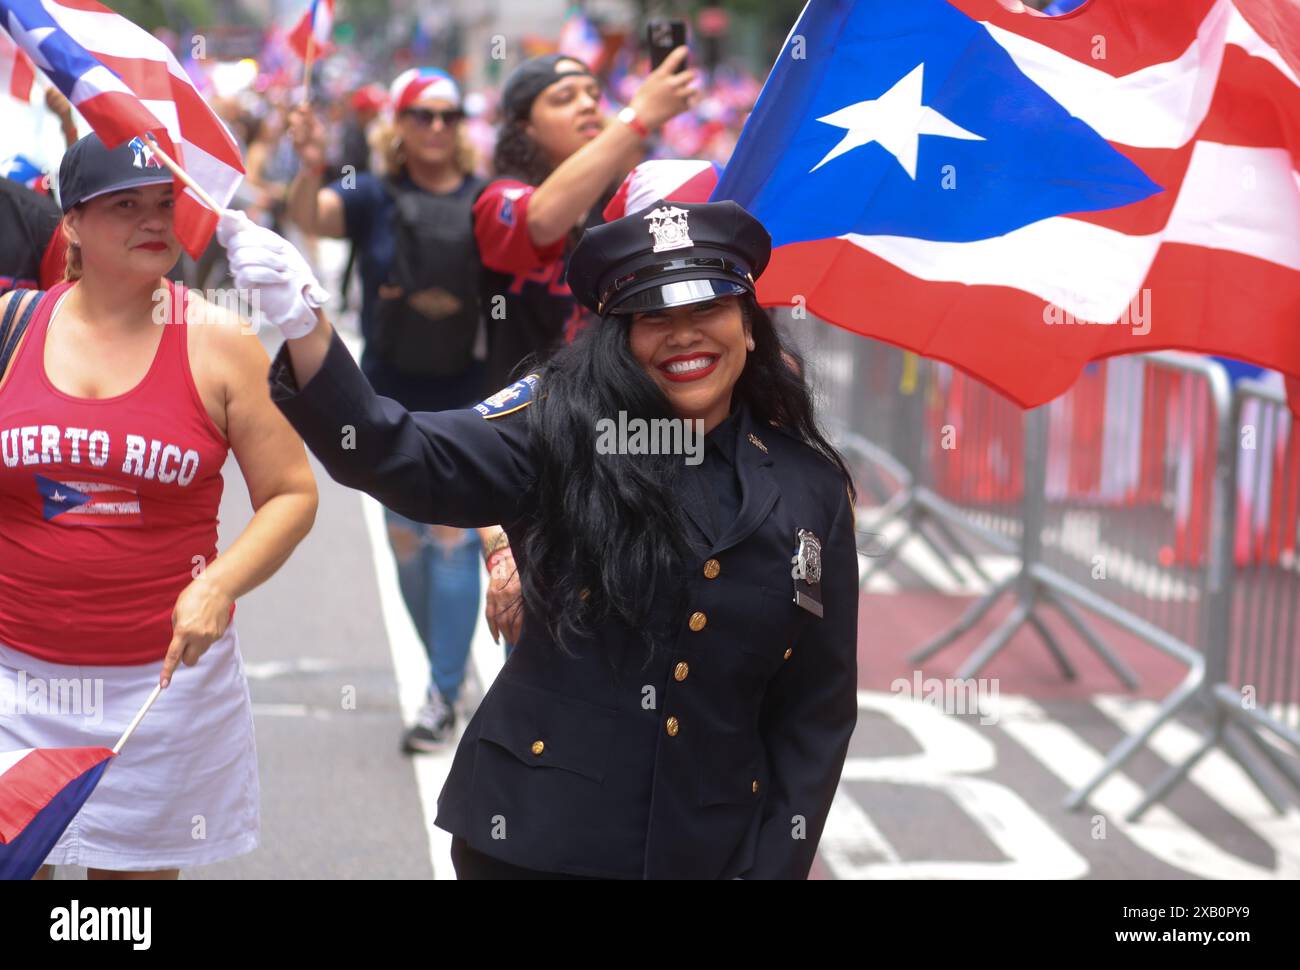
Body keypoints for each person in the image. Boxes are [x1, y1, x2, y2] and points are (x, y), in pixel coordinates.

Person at [220, 196, 860, 879]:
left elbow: (815, 710)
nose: (684, 336)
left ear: (749, 326)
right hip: (534, 841)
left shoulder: (808, 486)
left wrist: (775, 866)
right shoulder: (557, 428)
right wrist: (307, 327)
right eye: (654, 317)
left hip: (710, 852)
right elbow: (395, 452)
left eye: (707, 309)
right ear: (620, 336)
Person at [0, 133, 318, 879]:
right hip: (15, 684)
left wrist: (217, 585)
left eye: (165, 203)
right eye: (125, 205)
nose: (153, 221)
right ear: (70, 221)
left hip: (163, 692)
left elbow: (291, 495)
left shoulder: (221, 341)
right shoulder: (10, 327)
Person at [285, 68, 522, 750]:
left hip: (471, 396)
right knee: (405, 545)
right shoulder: (373, 191)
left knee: (450, 541)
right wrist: (307, 167)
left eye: (450, 115)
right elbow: (311, 216)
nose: (437, 128)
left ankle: (442, 697)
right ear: (400, 123)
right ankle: (447, 678)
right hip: (389, 394)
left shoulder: (487, 199)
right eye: (423, 115)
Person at [474, 47, 698, 392]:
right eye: (564, 98)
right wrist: (637, 117)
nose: (588, 104)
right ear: (526, 128)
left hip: (612, 411)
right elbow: (542, 221)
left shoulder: (623, 202)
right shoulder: (497, 197)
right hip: (522, 420)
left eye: (594, 94)